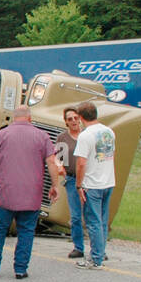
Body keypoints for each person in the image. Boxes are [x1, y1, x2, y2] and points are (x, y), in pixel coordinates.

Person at [0, 106, 60, 279]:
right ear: (29, 118)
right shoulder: (42, 136)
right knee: (26, 231)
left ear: (14, 118)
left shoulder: (3, 134)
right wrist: (55, 185)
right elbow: (52, 162)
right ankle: (20, 269)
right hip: (32, 194)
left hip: (7, 192)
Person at [73, 101, 115, 270]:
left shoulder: (85, 135)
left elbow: (81, 163)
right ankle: (101, 251)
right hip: (108, 180)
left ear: (81, 117)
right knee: (103, 220)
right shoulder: (109, 132)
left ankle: (95, 257)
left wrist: (79, 185)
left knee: (93, 221)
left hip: (92, 183)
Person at [55, 106, 85, 258]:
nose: (73, 121)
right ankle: (78, 247)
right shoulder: (62, 138)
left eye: (75, 118)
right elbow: (58, 158)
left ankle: (98, 248)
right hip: (72, 179)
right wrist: (60, 167)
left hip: (89, 180)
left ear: (80, 118)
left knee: (92, 215)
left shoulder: (87, 135)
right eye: (70, 119)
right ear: (66, 122)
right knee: (75, 216)